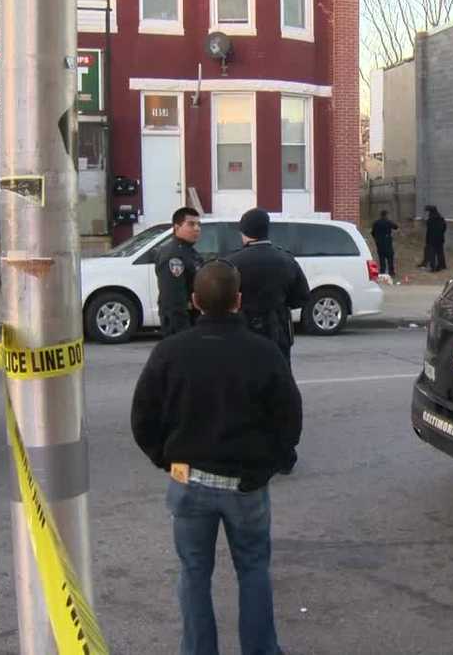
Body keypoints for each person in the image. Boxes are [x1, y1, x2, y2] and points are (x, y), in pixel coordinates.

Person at [131, 261, 302, 655]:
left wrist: (164, 458)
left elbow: (143, 417)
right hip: (246, 487)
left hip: (188, 482)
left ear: (194, 301)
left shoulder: (170, 352)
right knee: (254, 570)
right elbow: (289, 420)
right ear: (238, 301)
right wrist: (266, 467)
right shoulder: (265, 353)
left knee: (193, 574)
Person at [226, 208, 311, 364]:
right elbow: (302, 296)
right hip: (278, 330)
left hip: (244, 330)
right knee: (279, 378)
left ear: (244, 232)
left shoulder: (232, 262)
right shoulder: (286, 259)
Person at [154, 207, 204, 336]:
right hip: (179, 323)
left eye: (199, 224)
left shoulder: (190, 252)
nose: (197, 228)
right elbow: (174, 298)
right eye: (191, 224)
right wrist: (183, 332)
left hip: (193, 319)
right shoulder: (173, 255)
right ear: (177, 227)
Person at [370, 209, 399, 276]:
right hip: (387, 242)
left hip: (379, 243)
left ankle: (382, 271)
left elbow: (372, 232)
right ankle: (391, 272)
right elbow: (396, 227)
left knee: (381, 257)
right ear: (386, 215)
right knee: (390, 257)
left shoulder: (376, 223)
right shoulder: (388, 222)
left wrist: (376, 239)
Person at [425, 205, 448, 272]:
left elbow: (429, 231)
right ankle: (442, 265)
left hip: (432, 239)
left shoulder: (430, 220)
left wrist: (427, 240)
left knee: (432, 253)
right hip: (440, 238)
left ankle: (433, 268)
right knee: (440, 252)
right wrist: (441, 234)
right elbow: (444, 227)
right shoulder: (441, 218)